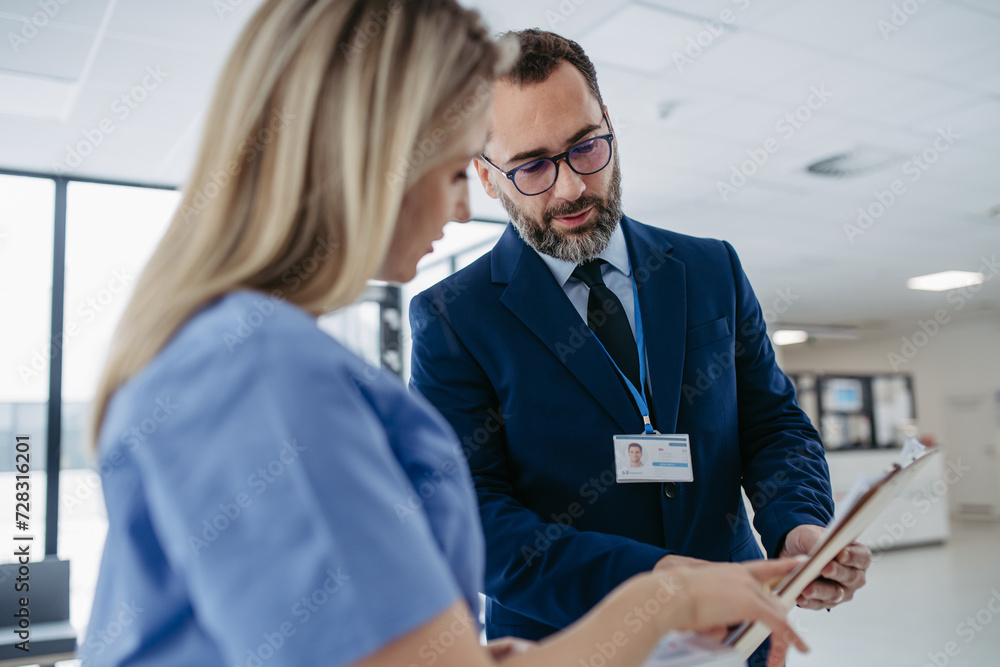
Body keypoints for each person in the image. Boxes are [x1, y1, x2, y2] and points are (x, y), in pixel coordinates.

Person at [81, 2, 807, 667]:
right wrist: (666, 599)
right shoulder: (261, 372)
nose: (462, 210)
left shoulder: (240, 350)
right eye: (461, 169)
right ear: (377, 155)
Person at [408, 28, 872, 665]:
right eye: (534, 165)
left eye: (585, 147)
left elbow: (771, 423)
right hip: (571, 642)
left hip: (738, 631)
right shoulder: (453, 317)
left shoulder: (711, 270)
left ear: (611, 128)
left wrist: (797, 525)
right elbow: (474, 520)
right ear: (488, 178)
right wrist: (664, 589)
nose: (570, 188)